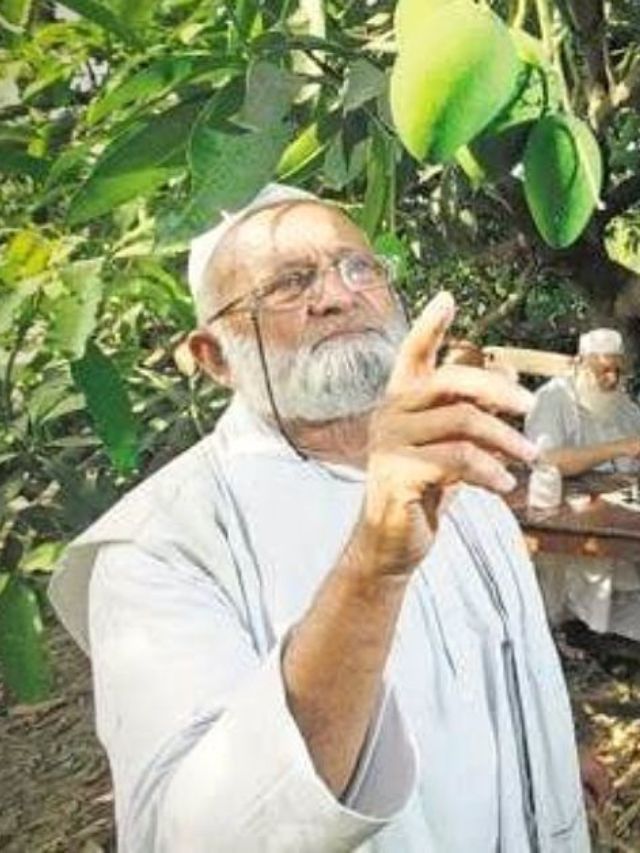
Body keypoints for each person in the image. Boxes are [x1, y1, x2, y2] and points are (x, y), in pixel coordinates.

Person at [50, 184, 592, 852]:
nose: (337, 295)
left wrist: (561, 759)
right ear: (216, 356)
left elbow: (505, 665)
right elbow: (196, 836)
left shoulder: (466, 477)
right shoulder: (159, 547)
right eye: (288, 283)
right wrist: (374, 563)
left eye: (358, 267)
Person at [525, 329, 640, 641]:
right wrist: (619, 448)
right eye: (604, 370)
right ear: (580, 364)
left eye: (618, 370)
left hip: (619, 513)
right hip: (563, 518)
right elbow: (547, 459)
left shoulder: (625, 407)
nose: (612, 379)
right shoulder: (553, 398)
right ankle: (581, 626)